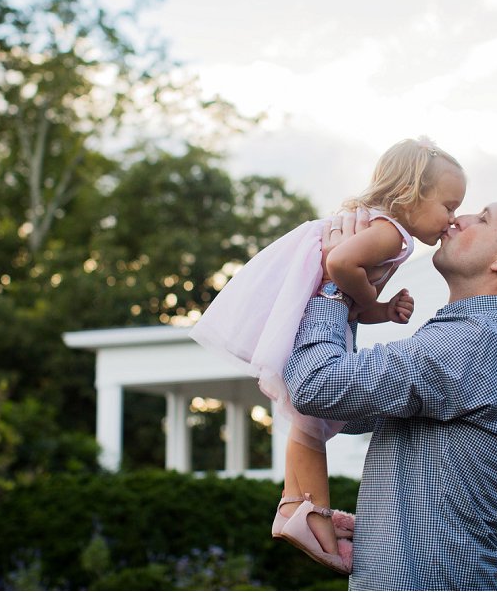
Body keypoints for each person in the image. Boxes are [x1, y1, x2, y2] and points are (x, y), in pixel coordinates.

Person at [282, 182, 497, 590]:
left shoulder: (478, 343)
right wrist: (383, 534)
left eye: (482, 218)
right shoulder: (480, 342)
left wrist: (334, 280)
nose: (456, 219)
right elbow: (341, 409)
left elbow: (317, 385)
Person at [189, 137, 467, 574]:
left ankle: (291, 505)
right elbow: (339, 267)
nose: (452, 219)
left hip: (310, 315)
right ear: (411, 195)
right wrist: (373, 302)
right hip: (315, 319)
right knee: (311, 424)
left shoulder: (379, 227)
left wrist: (377, 309)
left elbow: (347, 289)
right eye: (449, 206)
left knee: (304, 423)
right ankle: (314, 514)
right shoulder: (392, 233)